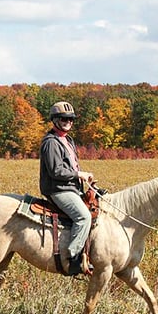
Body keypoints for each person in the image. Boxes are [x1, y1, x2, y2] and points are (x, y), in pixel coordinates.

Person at [39, 101, 93, 275]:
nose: (68, 121)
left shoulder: (68, 140)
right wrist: (79, 175)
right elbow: (56, 170)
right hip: (58, 189)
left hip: (70, 187)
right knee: (83, 217)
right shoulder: (51, 142)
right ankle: (73, 257)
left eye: (71, 119)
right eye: (64, 118)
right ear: (54, 120)